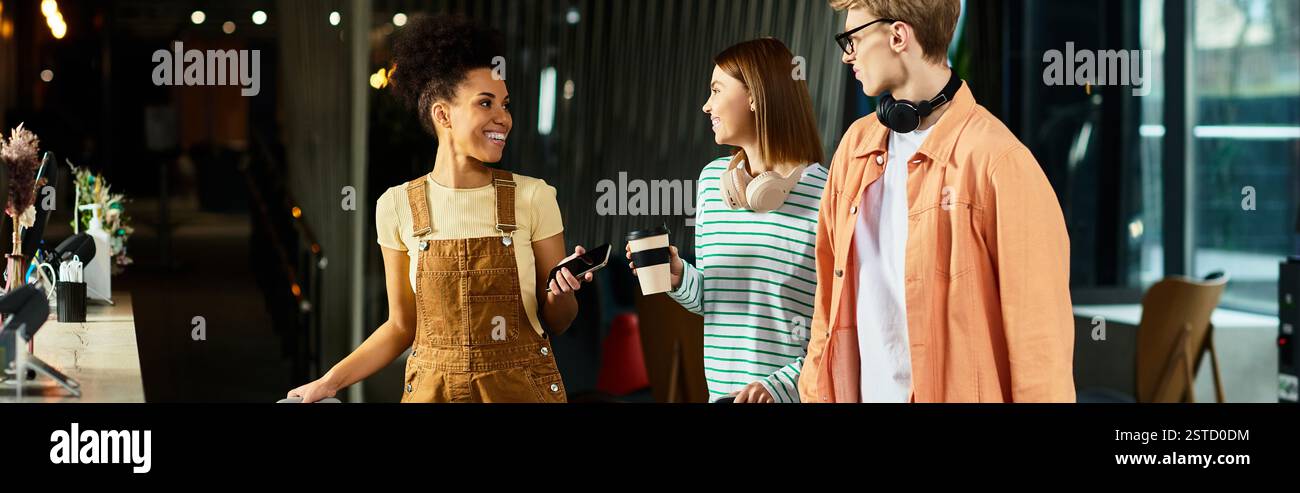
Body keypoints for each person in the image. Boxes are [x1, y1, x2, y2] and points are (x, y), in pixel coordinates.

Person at [287, 15, 592, 403]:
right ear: (443, 114)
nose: (504, 118)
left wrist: (563, 293)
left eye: (505, 104)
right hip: (433, 392)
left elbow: (558, 321)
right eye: (486, 103)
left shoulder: (533, 197)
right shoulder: (397, 206)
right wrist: (328, 383)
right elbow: (400, 326)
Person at [800, 0, 1075, 403]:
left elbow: (1040, 351)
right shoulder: (854, 149)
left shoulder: (1001, 165)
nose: (847, 55)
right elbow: (826, 309)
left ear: (897, 35)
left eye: (853, 39)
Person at [627, 38, 827, 403]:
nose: (706, 106)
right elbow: (714, 298)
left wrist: (781, 386)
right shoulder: (711, 184)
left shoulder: (828, 195)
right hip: (720, 397)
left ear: (755, 96)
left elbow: (841, 324)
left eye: (716, 90)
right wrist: (679, 277)